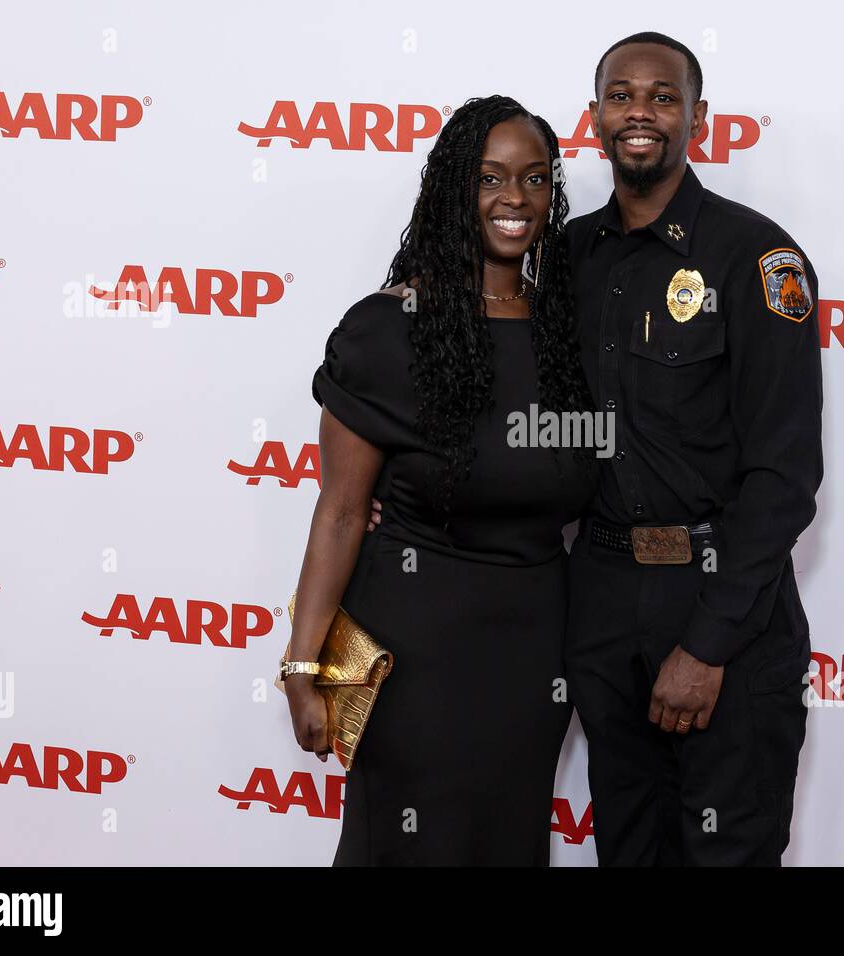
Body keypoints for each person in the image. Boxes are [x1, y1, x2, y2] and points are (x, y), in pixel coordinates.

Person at [284, 95, 597, 866]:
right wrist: (301, 662)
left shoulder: (568, 329)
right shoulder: (387, 331)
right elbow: (342, 511)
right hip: (412, 653)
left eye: (533, 179)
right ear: (454, 189)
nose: (514, 199)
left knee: (505, 843)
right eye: (490, 177)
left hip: (533, 658)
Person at [562, 32, 824, 866]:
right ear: (596, 117)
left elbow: (784, 475)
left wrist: (708, 644)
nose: (640, 110)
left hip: (723, 610)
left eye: (663, 96)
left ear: (697, 119)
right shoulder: (564, 259)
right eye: (621, 94)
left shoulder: (757, 257)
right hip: (601, 604)